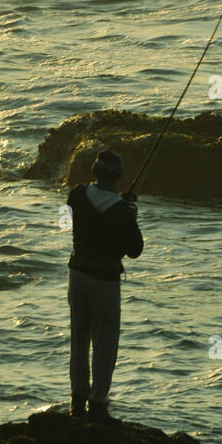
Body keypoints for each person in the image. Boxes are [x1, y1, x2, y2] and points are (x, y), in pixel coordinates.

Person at [66, 149, 143, 422]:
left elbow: (96, 207)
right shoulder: (121, 211)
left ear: (94, 172)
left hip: (77, 276)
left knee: (79, 340)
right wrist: (129, 213)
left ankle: (77, 402)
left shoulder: (76, 195)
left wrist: (122, 207)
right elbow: (135, 250)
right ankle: (97, 404)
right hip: (104, 282)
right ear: (119, 177)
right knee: (104, 344)